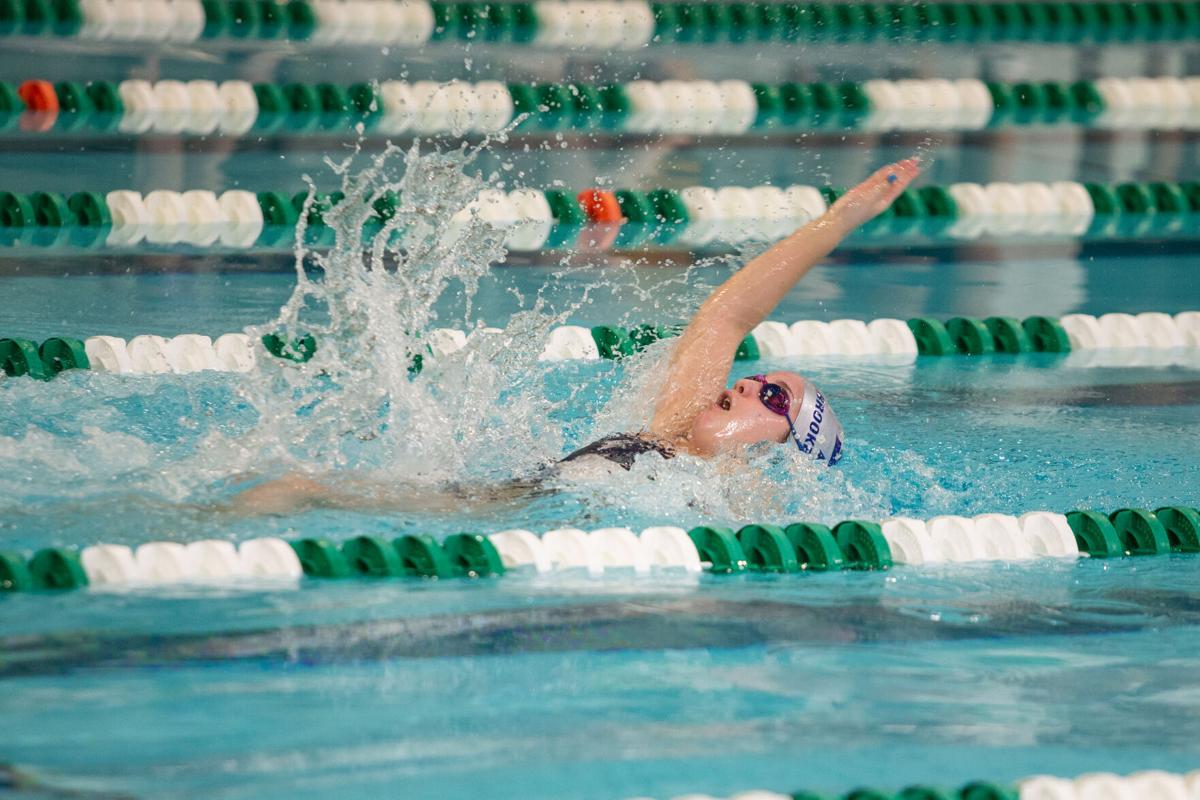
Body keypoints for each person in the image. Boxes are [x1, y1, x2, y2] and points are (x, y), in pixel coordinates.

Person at [234, 159, 920, 513]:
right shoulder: (672, 425)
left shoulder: (740, 496)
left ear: (783, 453)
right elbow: (726, 317)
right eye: (762, 379)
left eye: (772, 398)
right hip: (489, 509)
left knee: (300, 486)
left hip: (501, 532)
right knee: (296, 483)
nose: (748, 381)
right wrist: (843, 216)